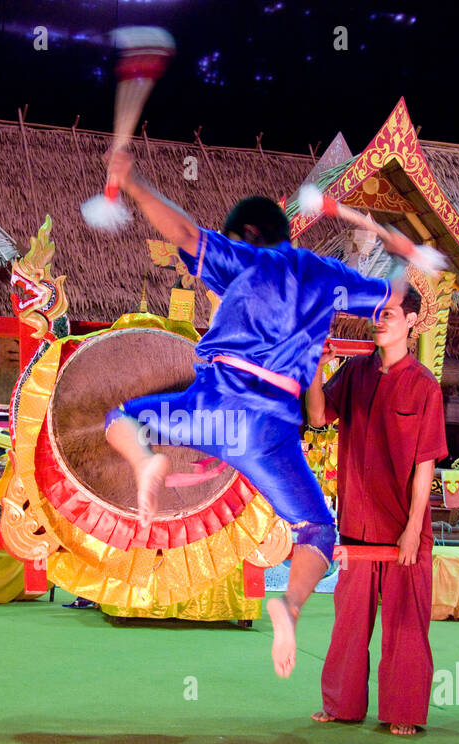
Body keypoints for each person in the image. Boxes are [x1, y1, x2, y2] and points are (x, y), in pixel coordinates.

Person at [103, 147, 415, 678]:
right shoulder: (325, 274)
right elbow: (393, 299)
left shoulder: (246, 259)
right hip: (271, 430)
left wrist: (132, 183)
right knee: (317, 529)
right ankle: (289, 607)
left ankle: (145, 462)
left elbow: (182, 232)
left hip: (213, 407)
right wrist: (400, 251)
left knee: (121, 418)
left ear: (246, 234)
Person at [304, 290, 447, 735]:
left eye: (387, 314)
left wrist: (411, 530)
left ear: (412, 321)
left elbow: (425, 466)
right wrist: (312, 365)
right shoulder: (355, 372)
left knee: (405, 623)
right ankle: (342, 705)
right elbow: (317, 417)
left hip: (403, 527)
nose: (377, 321)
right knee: (349, 619)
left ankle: (403, 712)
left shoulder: (425, 385)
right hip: (356, 523)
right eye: (375, 314)